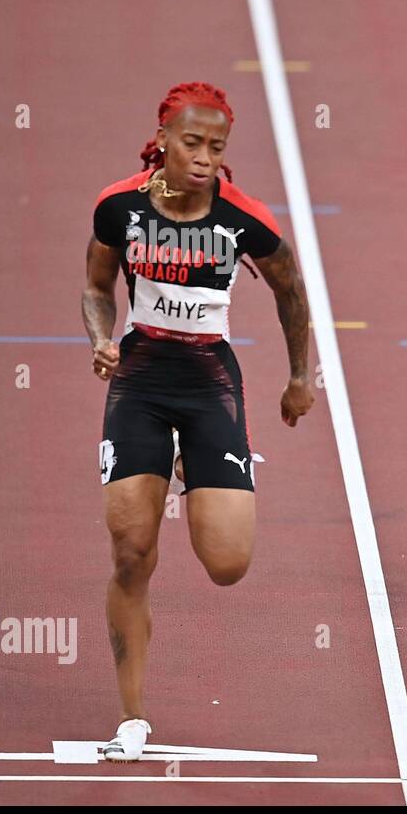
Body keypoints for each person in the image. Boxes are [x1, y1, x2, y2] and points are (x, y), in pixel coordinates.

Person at [82, 82, 315, 759]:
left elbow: (291, 290)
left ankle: (194, 462)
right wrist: (100, 335)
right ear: (162, 138)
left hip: (210, 380)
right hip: (141, 380)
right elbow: (97, 285)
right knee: (132, 551)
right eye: (193, 143)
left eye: (218, 146)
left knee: (227, 562)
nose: (206, 157)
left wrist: (300, 378)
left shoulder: (244, 218)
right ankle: (132, 716)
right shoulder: (118, 206)